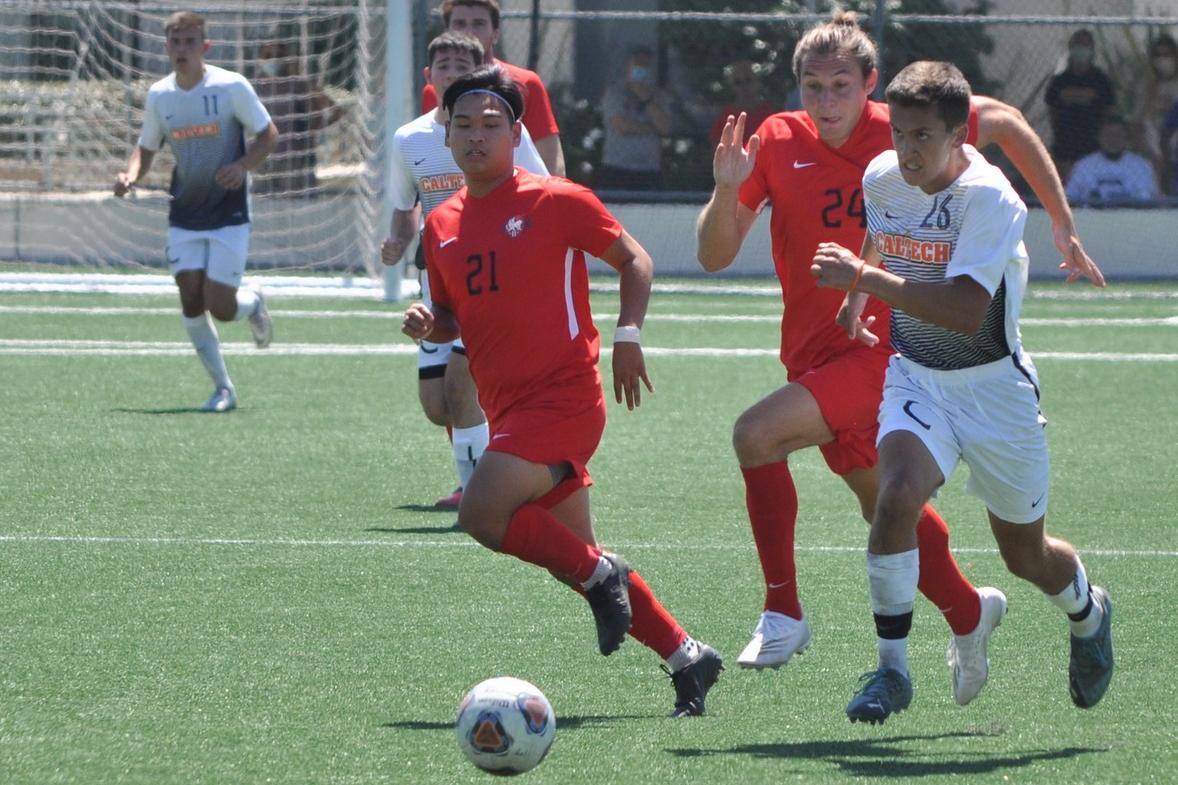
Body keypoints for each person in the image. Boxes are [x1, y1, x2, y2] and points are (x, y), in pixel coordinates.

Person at [696, 10, 1105, 706]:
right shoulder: (782, 142)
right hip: (817, 355)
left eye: (840, 86)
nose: (825, 102)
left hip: (896, 355)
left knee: (756, 434)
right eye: (812, 86)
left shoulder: (916, 124)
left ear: (870, 86)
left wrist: (1062, 224)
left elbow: (1003, 121)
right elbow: (715, 255)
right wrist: (725, 188)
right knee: (888, 508)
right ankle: (970, 614)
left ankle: (785, 611)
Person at [402, 65, 723, 716]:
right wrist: (431, 324)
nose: (474, 137)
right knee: (573, 558)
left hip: (566, 397)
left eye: (489, 125)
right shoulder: (440, 227)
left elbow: (635, 259)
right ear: (446, 135)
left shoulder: (555, 199)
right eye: (461, 125)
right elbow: (456, 316)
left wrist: (629, 334)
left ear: (515, 133)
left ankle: (606, 578)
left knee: (481, 513)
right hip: (510, 409)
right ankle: (688, 656)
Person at [810, 60, 1114, 724]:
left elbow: (964, 311)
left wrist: (862, 275)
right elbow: (886, 227)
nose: (907, 151)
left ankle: (1089, 612)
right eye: (899, 134)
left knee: (1025, 554)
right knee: (894, 499)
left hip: (995, 393)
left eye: (923, 136)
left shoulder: (991, 199)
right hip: (918, 378)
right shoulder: (883, 175)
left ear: (958, 134)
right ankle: (891, 673)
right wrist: (859, 294)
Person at [383, 31, 548, 509]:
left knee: (462, 385)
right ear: (428, 75)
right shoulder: (410, 138)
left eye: (462, 64)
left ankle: (478, 492)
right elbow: (404, 203)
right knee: (440, 406)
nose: (451, 71)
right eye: (444, 64)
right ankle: (506, 468)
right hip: (437, 286)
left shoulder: (501, 130)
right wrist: (397, 240)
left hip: (490, 281)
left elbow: (539, 186)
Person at [114, 11, 279, 412]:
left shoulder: (230, 87)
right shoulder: (160, 96)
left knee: (220, 307)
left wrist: (241, 166)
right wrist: (131, 174)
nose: (182, 48)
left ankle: (252, 303)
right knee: (190, 296)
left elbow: (268, 134)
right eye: (175, 41)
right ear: (166, 47)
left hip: (229, 212)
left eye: (190, 41)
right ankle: (223, 388)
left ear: (205, 46)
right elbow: (147, 147)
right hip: (185, 211)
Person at [419, 0, 565, 176]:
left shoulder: (525, 83)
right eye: (459, 24)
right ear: (448, 32)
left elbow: (551, 162)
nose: (469, 31)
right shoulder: (436, 90)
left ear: (495, 34)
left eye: (479, 24)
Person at [252, 33, 345, 196]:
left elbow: (335, 110)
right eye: (268, 56)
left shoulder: (299, 85)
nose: (273, 60)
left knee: (296, 206)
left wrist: (313, 131)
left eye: (279, 56)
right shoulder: (253, 87)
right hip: (263, 160)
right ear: (261, 58)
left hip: (294, 161)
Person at [1044, 29, 1116, 182]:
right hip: (1065, 141)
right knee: (1065, 181)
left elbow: (1109, 110)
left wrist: (1101, 135)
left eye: (1086, 45)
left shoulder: (1100, 80)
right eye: (1078, 44)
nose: (1081, 49)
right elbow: (1052, 110)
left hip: (1091, 141)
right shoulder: (1060, 81)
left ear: (1092, 49)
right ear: (1071, 47)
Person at [599, 45, 673, 191]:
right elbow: (623, 126)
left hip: (649, 169)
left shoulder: (659, 96)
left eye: (645, 65)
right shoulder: (614, 93)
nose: (641, 68)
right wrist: (653, 128)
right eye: (637, 64)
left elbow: (665, 128)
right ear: (628, 65)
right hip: (616, 167)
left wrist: (645, 97)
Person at [1065, 115, 1159, 203]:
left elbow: (1151, 200)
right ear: (1099, 137)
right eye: (1108, 135)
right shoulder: (1083, 166)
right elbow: (1070, 199)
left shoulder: (1142, 166)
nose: (1113, 140)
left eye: (1118, 135)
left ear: (1126, 138)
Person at [1131, 34, 1178, 193]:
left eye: (1167, 55)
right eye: (1158, 55)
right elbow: (1139, 118)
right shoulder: (1146, 84)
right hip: (1153, 135)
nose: (1162, 60)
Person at [708, 59, 775, 148]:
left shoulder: (771, 113)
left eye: (748, 80)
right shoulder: (726, 117)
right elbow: (718, 150)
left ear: (758, 82)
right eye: (737, 82)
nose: (744, 87)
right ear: (731, 87)